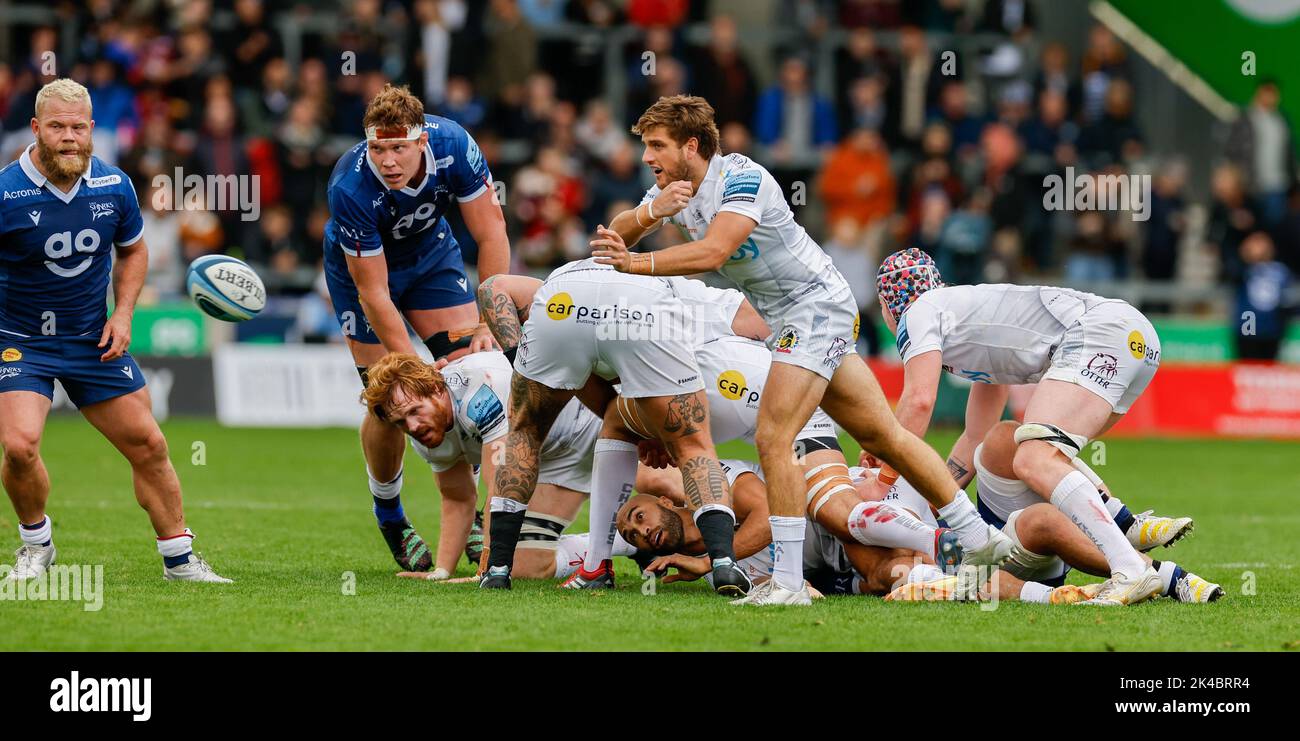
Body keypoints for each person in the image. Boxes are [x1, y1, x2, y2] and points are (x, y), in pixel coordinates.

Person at [593, 95, 1014, 606]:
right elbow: (613, 237)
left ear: (691, 145)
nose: (646, 158)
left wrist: (637, 264)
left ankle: (789, 584)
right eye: (645, 147)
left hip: (814, 310)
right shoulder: (675, 189)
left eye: (656, 146)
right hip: (795, 318)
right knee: (884, 434)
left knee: (774, 435)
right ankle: (979, 538)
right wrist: (648, 213)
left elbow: (714, 251)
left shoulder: (743, 178)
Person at [0, 79, 229, 583]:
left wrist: (122, 314)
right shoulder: (4, 192)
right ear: (36, 129)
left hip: (91, 339)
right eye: (57, 127)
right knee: (20, 445)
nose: (69, 138)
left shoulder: (115, 185)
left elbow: (134, 249)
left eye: (78, 127)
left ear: (92, 130)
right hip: (20, 341)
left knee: (149, 444)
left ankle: (179, 560)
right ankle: (36, 544)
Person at [875, 248, 1171, 605]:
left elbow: (918, 401)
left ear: (887, 303)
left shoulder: (918, 311)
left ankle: (1131, 565)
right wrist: (937, 503)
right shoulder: (969, 324)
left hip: (1100, 330)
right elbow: (975, 438)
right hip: (1137, 340)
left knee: (1034, 457)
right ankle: (1126, 524)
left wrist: (884, 481)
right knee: (1035, 450)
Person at [474, 258, 752, 594]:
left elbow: (491, 288)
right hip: (642, 308)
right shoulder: (696, 294)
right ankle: (724, 563)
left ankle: (498, 570)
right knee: (692, 445)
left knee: (524, 433)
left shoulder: (556, 284)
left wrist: (522, 360)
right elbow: (758, 323)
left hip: (564, 307)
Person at [322, 83, 509, 572]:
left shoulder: (454, 146)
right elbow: (375, 293)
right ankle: (390, 514)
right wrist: (409, 369)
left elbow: (491, 233)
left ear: (421, 141)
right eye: (378, 149)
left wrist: (490, 318)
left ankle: (471, 506)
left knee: (476, 365)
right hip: (361, 278)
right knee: (391, 401)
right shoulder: (349, 186)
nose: (387, 160)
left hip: (431, 258)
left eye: (398, 147)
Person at [885, 421, 1223, 604]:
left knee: (1005, 437)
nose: (866, 461)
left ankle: (1125, 520)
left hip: (973, 527)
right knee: (1043, 519)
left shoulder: (860, 473)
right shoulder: (848, 511)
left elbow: (971, 437)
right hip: (964, 556)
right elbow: (882, 568)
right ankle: (1165, 576)